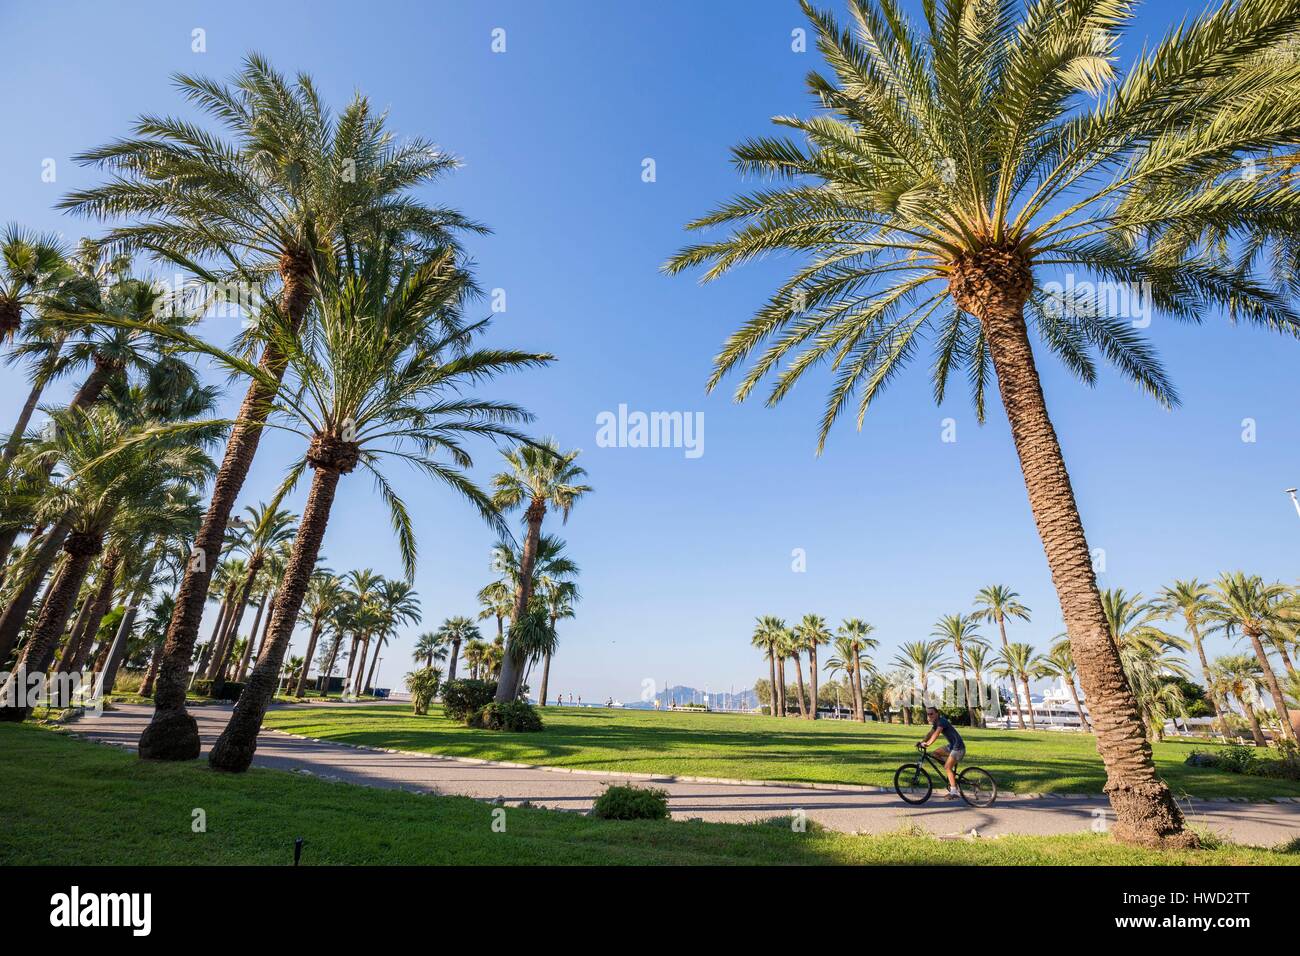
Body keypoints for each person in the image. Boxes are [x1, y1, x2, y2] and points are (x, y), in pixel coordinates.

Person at [920, 705, 965, 799]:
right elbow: (930, 733)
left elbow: (936, 734)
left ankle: (954, 792)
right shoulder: (936, 723)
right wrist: (922, 742)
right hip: (952, 747)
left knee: (947, 767)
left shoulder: (942, 721)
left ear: (937, 713)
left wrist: (927, 744)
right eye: (928, 714)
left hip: (958, 748)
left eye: (931, 713)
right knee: (935, 754)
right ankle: (951, 773)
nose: (929, 716)